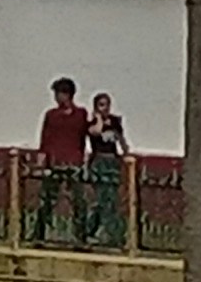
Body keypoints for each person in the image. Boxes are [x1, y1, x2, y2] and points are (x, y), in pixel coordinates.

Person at [27, 79, 86, 245]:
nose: (57, 98)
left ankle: (81, 238)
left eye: (59, 94)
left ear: (67, 95)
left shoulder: (80, 115)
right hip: (54, 162)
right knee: (47, 200)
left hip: (73, 162)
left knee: (78, 202)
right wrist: (41, 161)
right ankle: (39, 235)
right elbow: (45, 140)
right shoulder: (51, 115)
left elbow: (83, 138)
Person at [82, 93, 128, 247]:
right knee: (101, 198)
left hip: (112, 160)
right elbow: (95, 132)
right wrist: (99, 118)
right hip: (99, 161)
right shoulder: (91, 122)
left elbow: (121, 140)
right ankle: (90, 231)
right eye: (101, 105)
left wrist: (126, 155)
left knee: (112, 199)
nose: (105, 108)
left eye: (107, 104)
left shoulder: (115, 121)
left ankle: (114, 235)